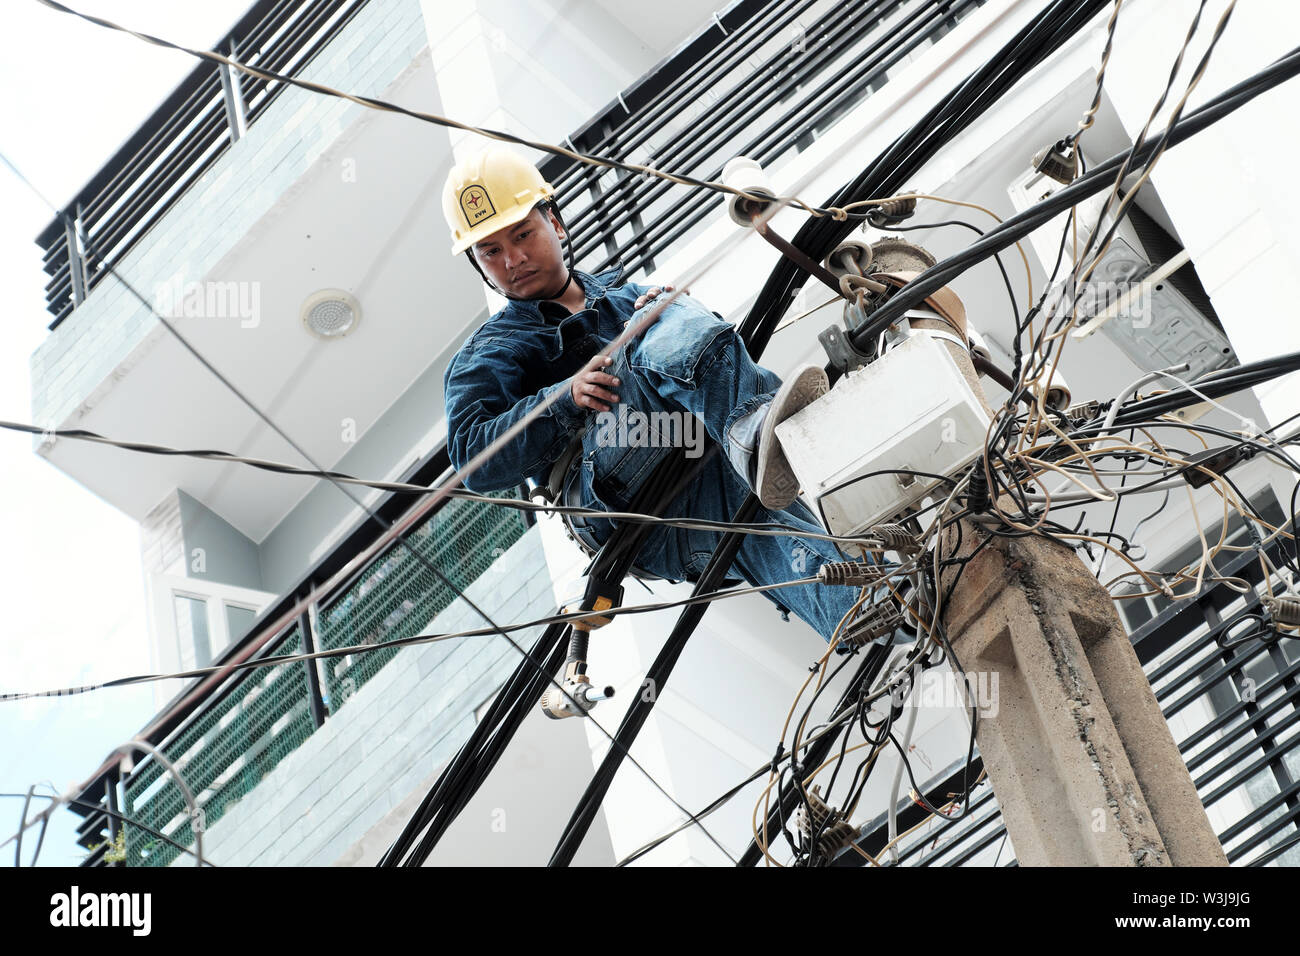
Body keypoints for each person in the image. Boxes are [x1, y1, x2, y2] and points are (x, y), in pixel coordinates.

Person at [441, 148, 902, 644]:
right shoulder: (488, 353)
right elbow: (472, 458)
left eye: (522, 235)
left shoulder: (623, 295)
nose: (512, 259)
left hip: (693, 476)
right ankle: (759, 432)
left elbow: (700, 356)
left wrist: (670, 309)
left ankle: (892, 613)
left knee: (762, 528)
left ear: (555, 222)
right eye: (490, 251)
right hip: (611, 499)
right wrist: (565, 398)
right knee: (660, 313)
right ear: (477, 264)